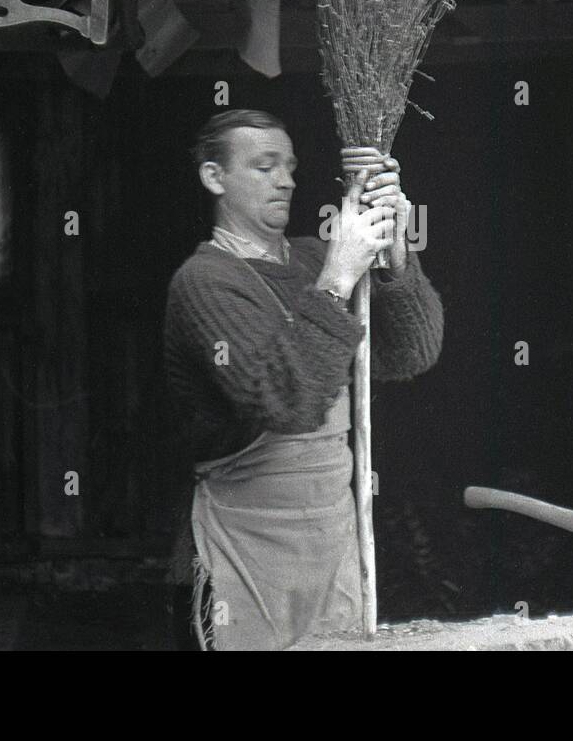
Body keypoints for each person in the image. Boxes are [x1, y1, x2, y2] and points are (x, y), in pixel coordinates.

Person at [161, 108, 444, 650]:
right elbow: (284, 400)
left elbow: (410, 353)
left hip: (331, 538)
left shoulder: (313, 255)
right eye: (264, 166)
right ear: (214, 178)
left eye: (289, 166)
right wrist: (338, 275)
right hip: (245, 547)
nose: (286, 179)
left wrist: (394, 250)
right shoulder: (203, 282)